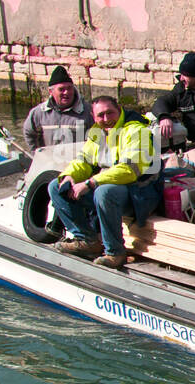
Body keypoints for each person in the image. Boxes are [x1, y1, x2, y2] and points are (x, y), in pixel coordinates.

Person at [48, 96, 161, 269]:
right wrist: (69, 176)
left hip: (140, 193)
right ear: (94, 117)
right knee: (56, 186)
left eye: (110, 113)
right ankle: (87, 240)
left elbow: (129, 171)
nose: (106, 119)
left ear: (120, 110)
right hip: (112, 189)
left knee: (104, 191)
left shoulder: (137, 131)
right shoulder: (98, 133)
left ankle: (115, 252)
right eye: (101, 115)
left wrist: (90, 183)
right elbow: (83, 162)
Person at [23, 66, 93, 153]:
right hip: (50, 162)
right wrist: (37, 155)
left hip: (79, 163)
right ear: (51, 92)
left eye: (69, 88)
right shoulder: (38, 113)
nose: (66, 92)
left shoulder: (88, 111)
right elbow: (29, 133)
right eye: (61, 89)